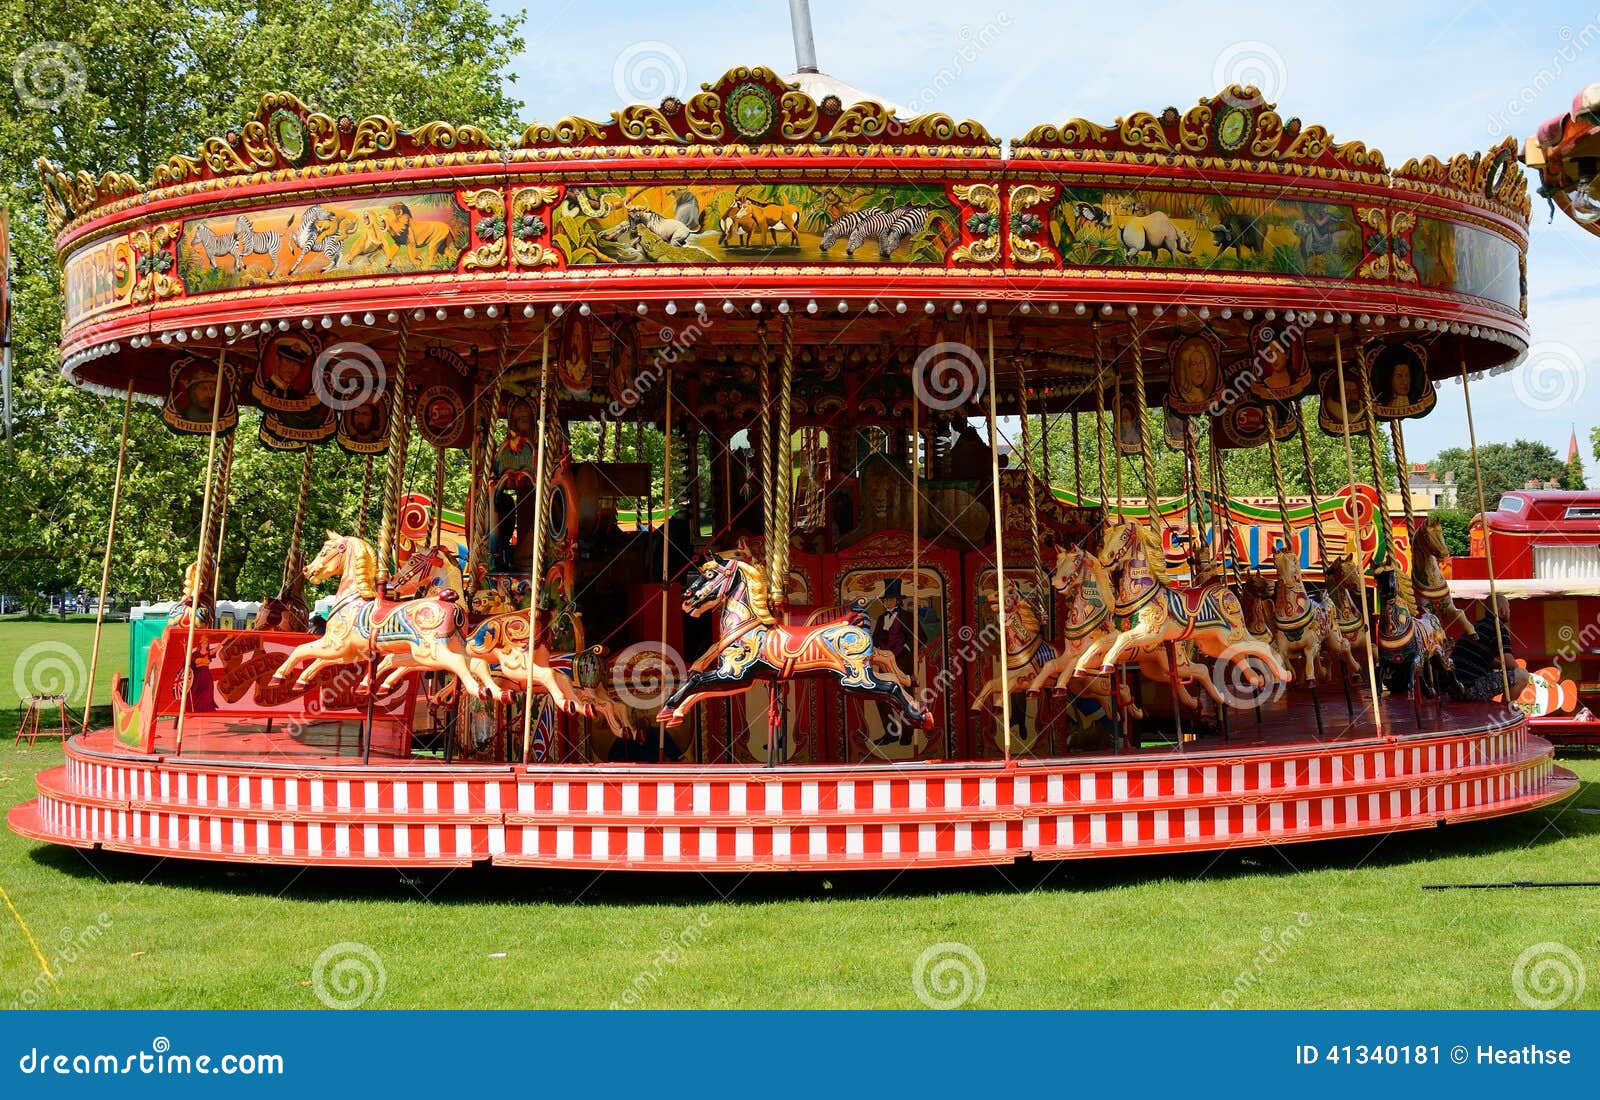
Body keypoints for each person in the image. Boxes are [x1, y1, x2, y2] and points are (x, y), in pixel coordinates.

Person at [1448, 595, 1528, 703]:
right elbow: (1508, 661)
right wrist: (1518, 672)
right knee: (1522, 675)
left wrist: (1501, 667)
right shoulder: (1498, 628)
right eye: (1508, 608)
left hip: (1455, 689)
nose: (1509, 611)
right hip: (1470, 688)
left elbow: (1485, 660)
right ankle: (1505, 709)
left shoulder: (1477, 626)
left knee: (1496, 672)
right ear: (1502, 611)